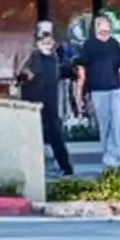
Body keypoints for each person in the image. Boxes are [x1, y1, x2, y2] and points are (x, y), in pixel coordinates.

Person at [17, 22, 74, 176]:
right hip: (41, 103)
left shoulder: (47, 58)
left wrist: (20, 80)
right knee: (50, 137)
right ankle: (62, 167)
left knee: (45, 137)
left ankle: (58, 167)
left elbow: (27, 76)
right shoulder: (45, 58)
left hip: (42, 103)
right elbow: (27, 76)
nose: (47, 43)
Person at [74, 14, 120, 168]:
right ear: (96, 28)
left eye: (107, 26)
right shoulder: (89, 46)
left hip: (114, 89)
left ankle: (119, 157)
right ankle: (108, 158)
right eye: (102, 26)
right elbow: (82, 71)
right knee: (105, 125)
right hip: (98, 91)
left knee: (117, 124)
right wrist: (80, 94)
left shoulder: (114, 45)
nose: (105, 29)